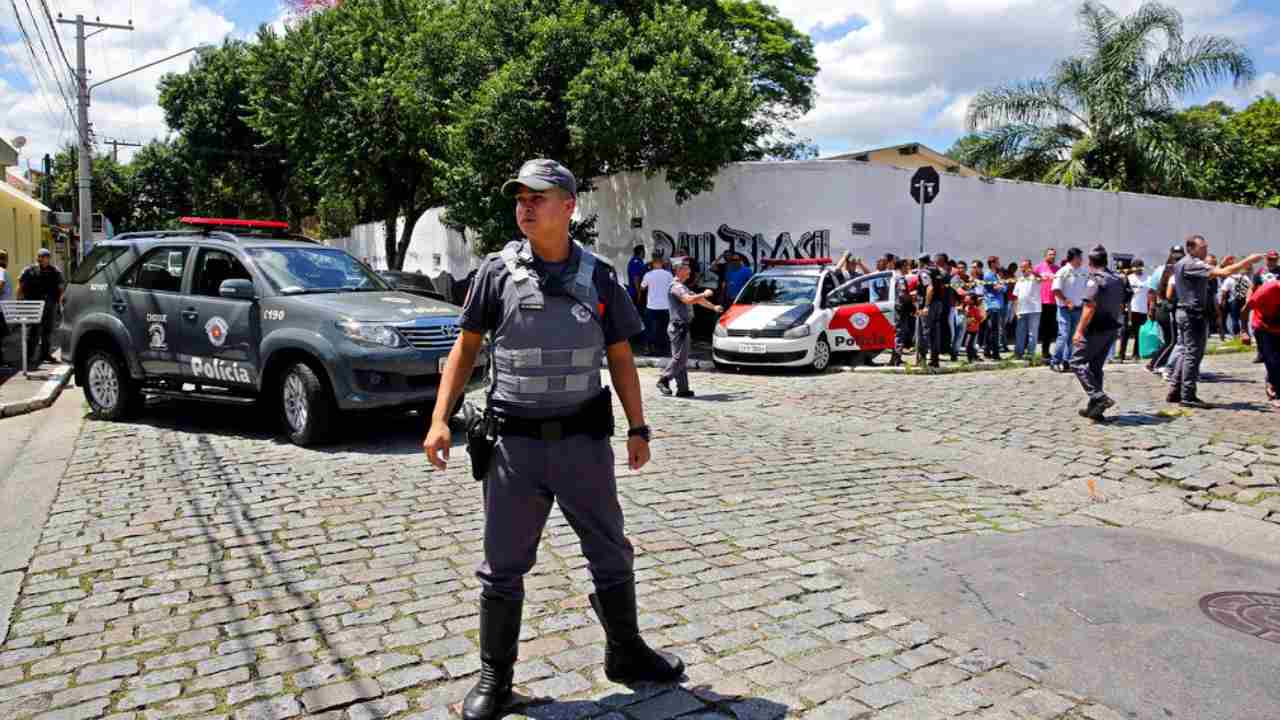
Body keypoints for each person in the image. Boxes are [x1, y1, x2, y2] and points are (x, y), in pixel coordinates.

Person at [422, 160, 682, 720]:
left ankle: (627, 651)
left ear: (569, 207)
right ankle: (496, 679)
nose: (525, 205)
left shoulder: (602, 276)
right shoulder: (495, 273)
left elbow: (620, 358)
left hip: (583, 445)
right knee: (502, 564)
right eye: (520, 196)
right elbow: (465, 349)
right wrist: (440, 417)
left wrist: (638, 428)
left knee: (610, 550)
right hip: (514, 447)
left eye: (538, 196)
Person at [1165, 237, 1262, 407]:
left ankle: (1175, 389)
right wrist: (1248, 261)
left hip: (1188, 313)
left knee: (1187, 353)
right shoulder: (1191, 263)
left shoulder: (1186, 263)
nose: (1205, 250)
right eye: (1202, 247)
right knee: (1192, 355)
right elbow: (1223, 274)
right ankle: (1187, 395)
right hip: (1192, 314)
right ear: (1191, 248)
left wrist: (1223, 264)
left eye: (1206, 247)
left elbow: (1214, 273)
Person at [1071, 246, 1126, 420]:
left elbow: (1089, 307)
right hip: (1111, 328)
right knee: (1095, 368)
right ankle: (1095, 409)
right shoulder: (1117, 279)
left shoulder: (1095, 280)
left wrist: (1079, 331)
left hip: (1096, 329)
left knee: (1076, 362)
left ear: (1090, 263)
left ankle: (1099, 397)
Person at [658, 259, 721, 398]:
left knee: (681, 358)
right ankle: (664, 379)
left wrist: (713, 307)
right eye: (687, 268)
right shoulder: (676, 286)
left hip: (682, 327)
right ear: (678, 270)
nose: (690, 271)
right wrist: (704, 293)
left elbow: (697, 299)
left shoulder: (682, 286)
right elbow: (688, 299)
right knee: (680, 357)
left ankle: (683, 389)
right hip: (678, 327)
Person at [17, 248, 64, 365]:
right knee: (33, 331)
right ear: (38, 258)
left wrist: (60, 304)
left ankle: (45, 355)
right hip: (33, 305)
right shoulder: (29, 270)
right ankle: (28, 357)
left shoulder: (55, 271)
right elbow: (20, 285)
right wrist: (19, 302)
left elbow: (60, 288)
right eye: (43, 257)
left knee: (47, 331)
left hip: (49, 305)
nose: (45, 259)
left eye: (47, 257)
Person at [1243, 274, 1280, 406]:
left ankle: (1272, 381)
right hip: (1262, 327)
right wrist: (1244, 332)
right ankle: (1276, 393)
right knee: (1272, 360)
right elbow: (1245, 310)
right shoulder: (1267, 290)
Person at [1050, 248, 1088, 372]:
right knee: (1064, 334)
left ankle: (1068, 361)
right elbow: (1056, 290)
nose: (1082, 260)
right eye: (1080, 257)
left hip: (1078, 308)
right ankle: (1055, 361)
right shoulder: (1063, 271)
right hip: (1064, 309)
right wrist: (1066, 300)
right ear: (1074, 258)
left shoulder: (1083, 271)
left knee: (1073, 337)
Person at [1116, 259, 1149, 362]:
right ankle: (1121, 355)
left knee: (1138, 333)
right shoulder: (1129, 278)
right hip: (1130, 310)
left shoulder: (1148, 278)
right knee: (1125, 332)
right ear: (1132, 268)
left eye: (1140, 267)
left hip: (1143, 309)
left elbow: (1151, 293)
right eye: (1135, 267)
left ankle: (1136, 355)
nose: (1138, 269)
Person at [640, 254, 673, 356]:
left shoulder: (648, 275)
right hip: (665, 306)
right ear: (662, 264)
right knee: (665, 329)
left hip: (652, 306)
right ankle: (665, 350)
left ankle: (650, 350)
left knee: (651, 329)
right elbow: (672, 287)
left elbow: (642, 287)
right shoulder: (668, 274)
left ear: (653, 264)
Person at [915, 254, 944, 368]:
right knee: (935, 333)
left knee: (924, 332)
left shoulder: (924, 272)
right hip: (938, 303)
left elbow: (930, 288)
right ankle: (935, 360)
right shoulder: (937, 270)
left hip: (929, 305)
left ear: (921, 262)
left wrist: (926, 305)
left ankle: (922, 360)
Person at [1012, 259, 1042, 360]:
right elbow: (1015, 296)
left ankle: (1030, 354)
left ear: (1030, 267)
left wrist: (1032, 271)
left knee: (1032, 333)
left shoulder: (1034, 278)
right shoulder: (1020, 280)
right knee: (1019, 333)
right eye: (1021, 267)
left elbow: (1040, 278)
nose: (1022, 269)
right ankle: (1018, 354)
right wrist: (1016, 311)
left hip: (1034, 310)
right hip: (1021, 310)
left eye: (1025, 266)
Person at [1034, 248, 1060, 360]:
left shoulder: (1058, 269)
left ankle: (1046, 352)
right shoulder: (1038, 267)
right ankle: (1031, 351)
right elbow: (1031, 279)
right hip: (1041, 301)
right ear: (1045, 256)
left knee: (1049, 329)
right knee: (1039, 327)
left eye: (1054, 255)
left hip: (1053, 302)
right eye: (1050, 254)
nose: (1052, 256)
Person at [891, 258, 913, 365]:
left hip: (897, 307)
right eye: (906, 266)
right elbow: (902, 294)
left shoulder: (894, 276)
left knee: (898, 332)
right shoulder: (900, 278)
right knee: (900, 332)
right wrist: (911, 298)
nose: (908, 268)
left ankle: (895, 358)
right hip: (901, 308)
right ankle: (896, 358)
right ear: (902, 266)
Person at [982, 261, 1005, 360]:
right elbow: (997, 288)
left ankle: (987, 351)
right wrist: (1001, 286)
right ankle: (995, 353)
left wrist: (1002, 286)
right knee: (994, 330)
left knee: (990, 330)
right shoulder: (989, 275)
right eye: (997, 262)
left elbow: (1004, 288)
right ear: (992, 264)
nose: (999, 264)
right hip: (992, 305)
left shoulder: (996, 275)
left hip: (997, 304)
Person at [961, 293, 984, 362]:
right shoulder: (966, 307)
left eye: (968, 299)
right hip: (967, 329)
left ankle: (970, 359)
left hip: (973, 330)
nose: (966, 299)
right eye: (966, 298)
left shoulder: (975, 309)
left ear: (972, 301)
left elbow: (980, 318)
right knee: (969, 345)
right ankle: (974, 356)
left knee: (968, 344)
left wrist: (973, 320)